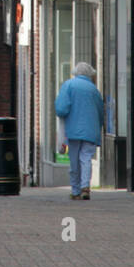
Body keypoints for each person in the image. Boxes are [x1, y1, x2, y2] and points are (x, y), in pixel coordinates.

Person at [54, 62, 104, 201]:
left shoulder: (68, 85)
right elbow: (101, 111)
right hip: (91, 130)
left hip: (73, 129)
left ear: (75, 72)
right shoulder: (94, 90)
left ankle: (75, 191)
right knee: (86, 158)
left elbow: (61, 109)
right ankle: (85, 187)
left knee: (74, 161)